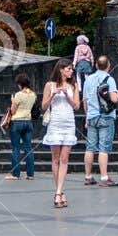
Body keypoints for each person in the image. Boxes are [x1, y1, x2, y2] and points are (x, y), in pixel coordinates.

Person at [40, 59, 82, 209]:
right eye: (69, 69)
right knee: (56, 159)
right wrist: (53, 95)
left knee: (65, 159)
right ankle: (60, 191)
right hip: (55, 123)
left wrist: (67, 95)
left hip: (69, 124)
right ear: (61, 70)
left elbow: (77, 106)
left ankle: (58, 192)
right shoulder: (49, 85)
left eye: (71, 69)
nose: (71, 71)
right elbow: (44, 106)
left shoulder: (73, 85)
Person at [81, 55, 118, 187]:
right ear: (108, 65)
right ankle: (104, 178)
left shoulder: (88, 79)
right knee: (104, 148)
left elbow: (85, 101)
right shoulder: (110, 79)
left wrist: (88, 116)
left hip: (91, 117)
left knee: (90, 147)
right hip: (106, 116)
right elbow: (114, 99)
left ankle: (88, 177)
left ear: (96, 65)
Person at [3, 73, 37, 180]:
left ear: (20, 84)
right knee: (28, 148)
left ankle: (15, 174)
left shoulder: (18, 95)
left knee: (16, 148)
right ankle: (30, 174)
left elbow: (13, 111)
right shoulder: (33, 95)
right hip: (28, 122)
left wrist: (13, 101)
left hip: (17, 122)